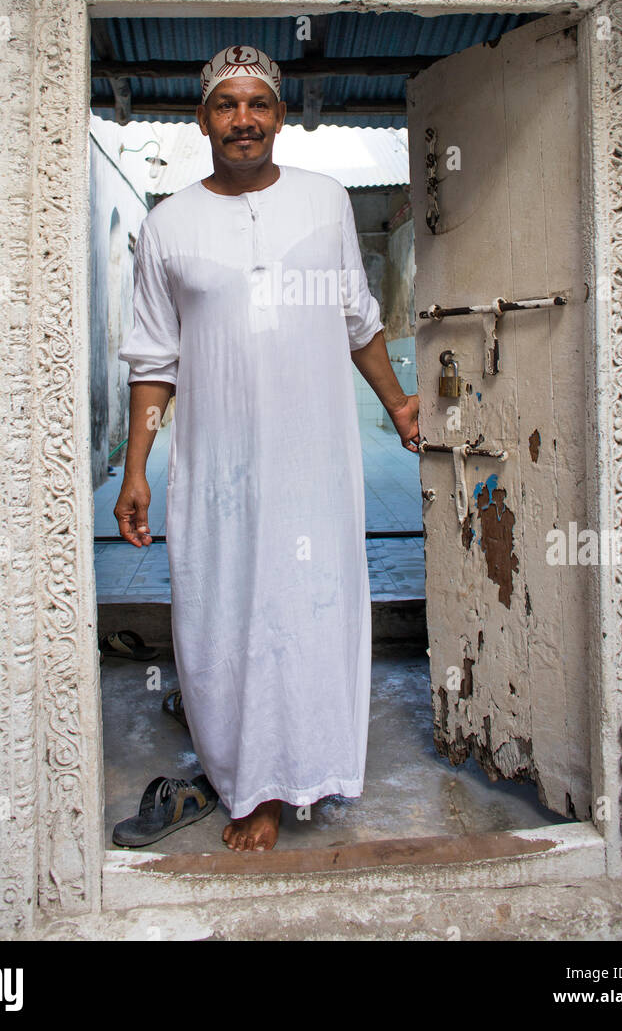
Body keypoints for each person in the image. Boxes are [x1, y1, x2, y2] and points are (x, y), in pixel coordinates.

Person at [115, 44, 420, 852]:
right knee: (223, 610)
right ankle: (246, 779)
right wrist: (138, 467)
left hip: (314, 461)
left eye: (258, 104)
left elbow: (360, 320)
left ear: (281, 115)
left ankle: (307, 770)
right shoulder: (167, 225)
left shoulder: (325, 204)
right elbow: (153, 361)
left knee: (312, 606)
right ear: (202, 119)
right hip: (219, 471)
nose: (243, 119)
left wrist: (398, 405)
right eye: (226, 105)